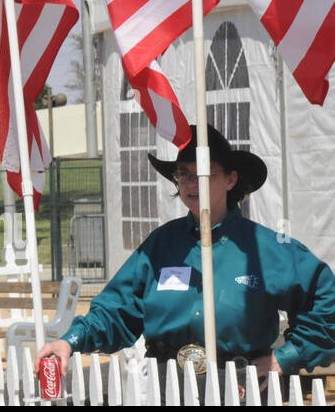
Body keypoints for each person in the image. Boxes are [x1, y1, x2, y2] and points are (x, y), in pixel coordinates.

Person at [37, 124, 335, 397]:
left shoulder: (267, 247)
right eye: (184, 174)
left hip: (242, 385)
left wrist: (287, 356)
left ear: (231, 180)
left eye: (204, 173)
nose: (192, 183)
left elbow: (326, 297)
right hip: (167, 385)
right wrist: (70, 340)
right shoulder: (161, 244)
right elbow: (116, 310)